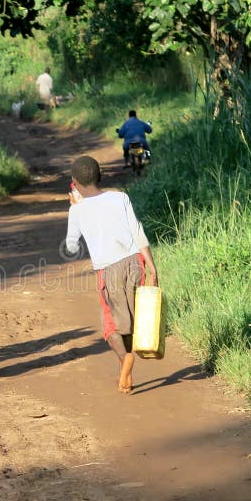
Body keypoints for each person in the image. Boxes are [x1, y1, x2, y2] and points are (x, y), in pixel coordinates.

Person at [64, 156, 158, 393]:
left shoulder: (77, 210)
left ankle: (125, 358)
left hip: (108, 270)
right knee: (132, 317)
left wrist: (76, 211)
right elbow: (137, 231)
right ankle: (127, 367)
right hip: (135, 263)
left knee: (111, 323)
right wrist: (152, 267)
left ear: (75, 183)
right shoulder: (120, 197)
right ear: (100, 176)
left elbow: (71, 247)